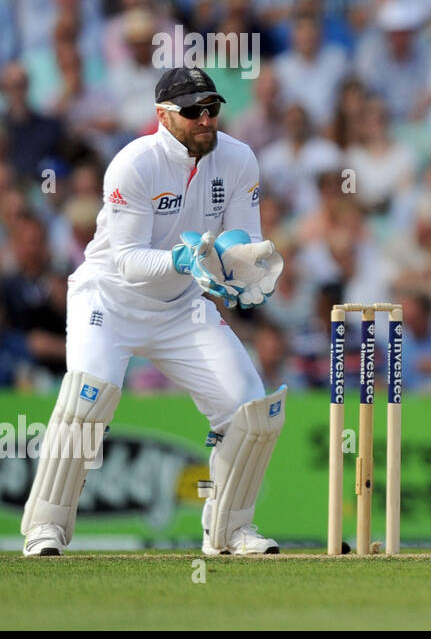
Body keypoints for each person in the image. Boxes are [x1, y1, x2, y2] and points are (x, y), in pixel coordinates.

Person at [21, 69, 286, 557]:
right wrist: (183, 261)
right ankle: (46, 528)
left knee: (250, 410)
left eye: (212, 108)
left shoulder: (238, 158)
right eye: (192, 111)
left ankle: (229, 531)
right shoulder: (134, 164)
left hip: (181, 307)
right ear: (163, 115)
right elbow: (127, 261)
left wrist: (247, 275)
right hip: (109, 299)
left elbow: (242, 241)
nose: (205, 119)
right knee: (88, 399)